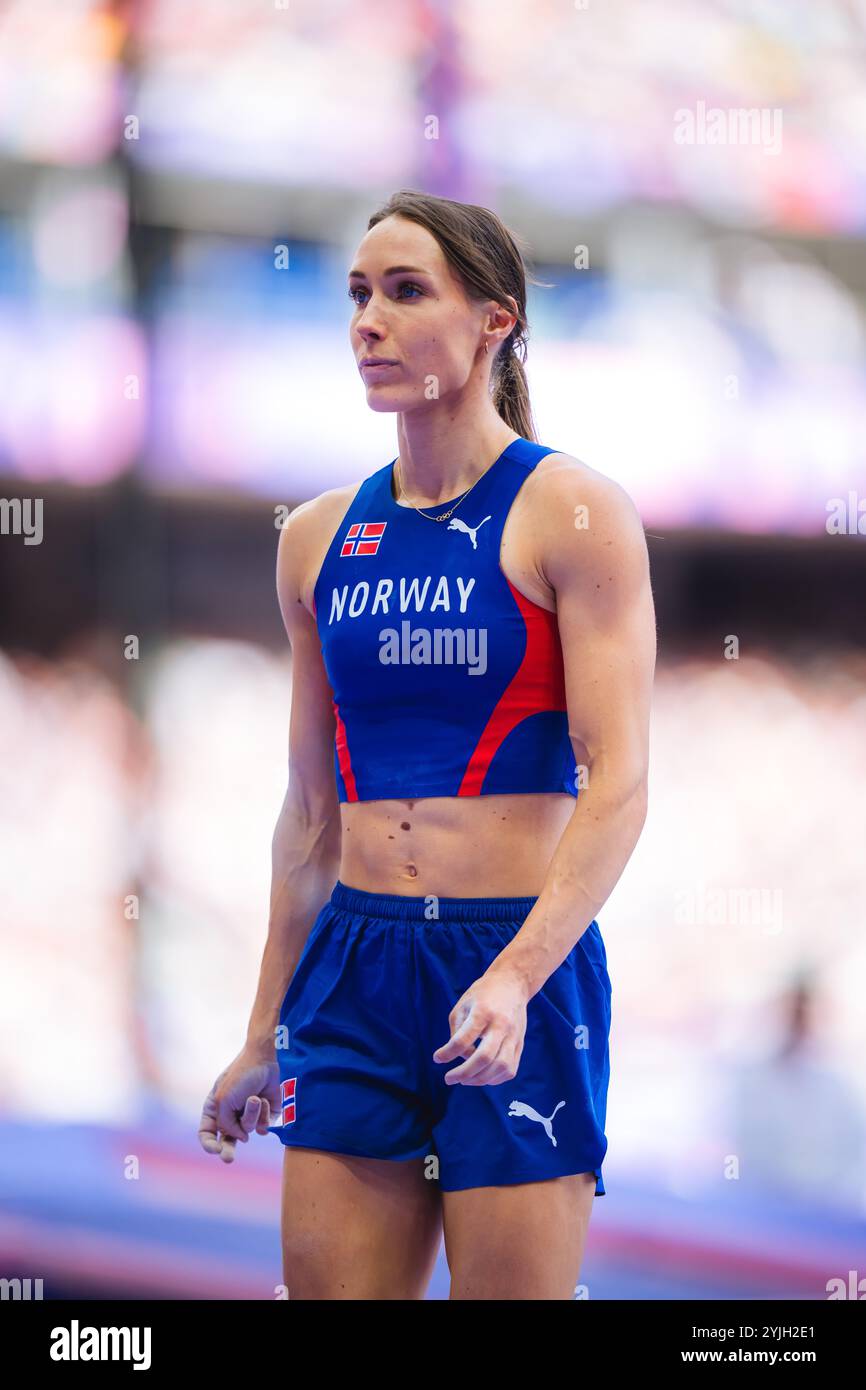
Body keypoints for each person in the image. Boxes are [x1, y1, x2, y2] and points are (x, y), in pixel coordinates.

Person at [198, 189, 656, 1300]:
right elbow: (308, 813)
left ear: (494, 321)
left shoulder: (571, 514)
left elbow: (618, 786)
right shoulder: (314, 539)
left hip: (509, 967)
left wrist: (514, 977)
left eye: (405, 292)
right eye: (358, 293)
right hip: (353, 971)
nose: (368, 320)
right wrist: (261, 1032)